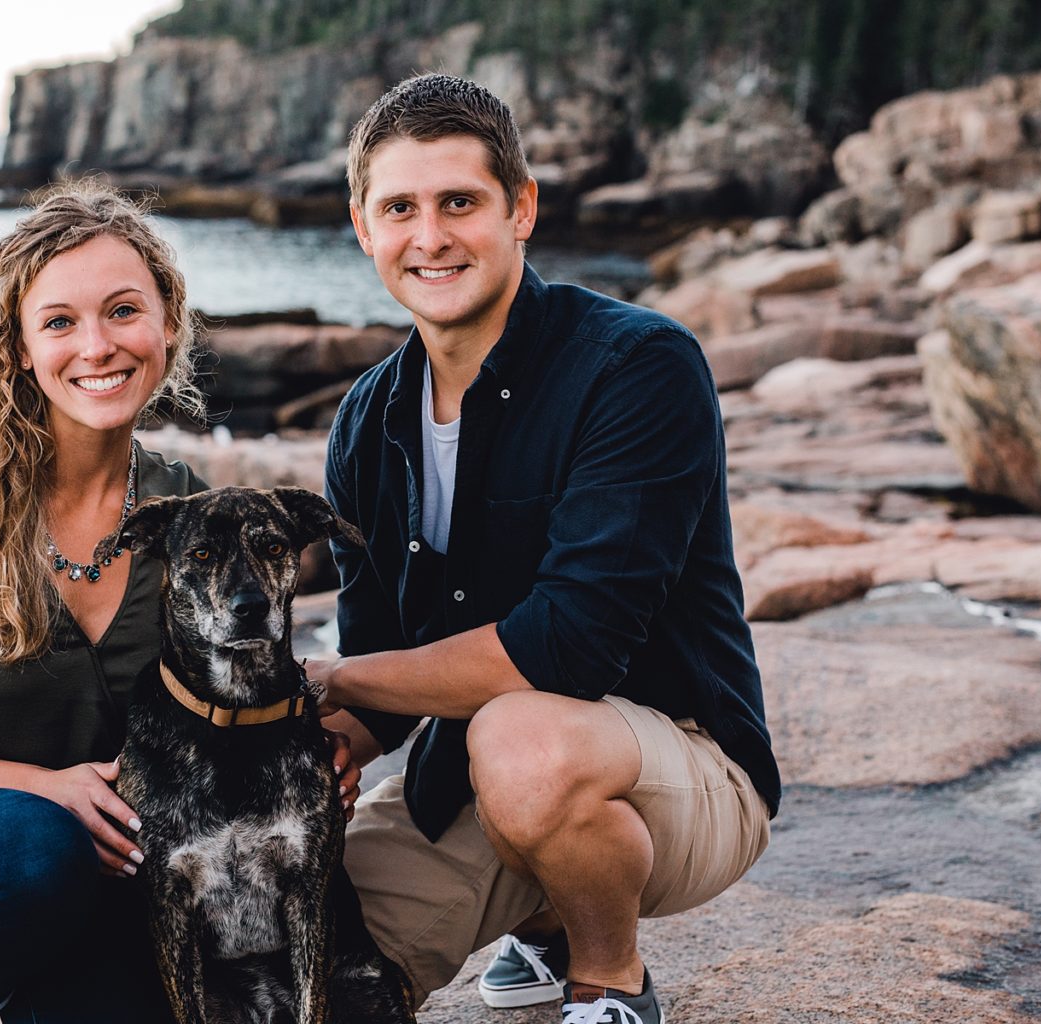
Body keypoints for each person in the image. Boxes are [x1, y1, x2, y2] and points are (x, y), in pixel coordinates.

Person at [0, 182, 364, 1024]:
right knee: (32, 849)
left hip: (111, 881)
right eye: (59, 321)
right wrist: (43, 789)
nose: (96, 346)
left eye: (123, 311)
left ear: (167, 323)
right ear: (20, 347)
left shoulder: (190, 517)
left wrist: (323, 745)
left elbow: (239, 687)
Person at [305, 74, 781, 1024]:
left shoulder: (638, 365)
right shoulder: (365, 420)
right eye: (399, 207)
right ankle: (543, 909)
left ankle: (608, 978)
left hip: (681, 768)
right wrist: (307, 749)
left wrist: (335, 679)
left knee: (521, 738)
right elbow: (380, 665)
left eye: (460, 203)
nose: (429, 236)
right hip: (481, 782)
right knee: (312, 971)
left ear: (521, 208)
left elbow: (567, 648)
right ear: (363, 226)